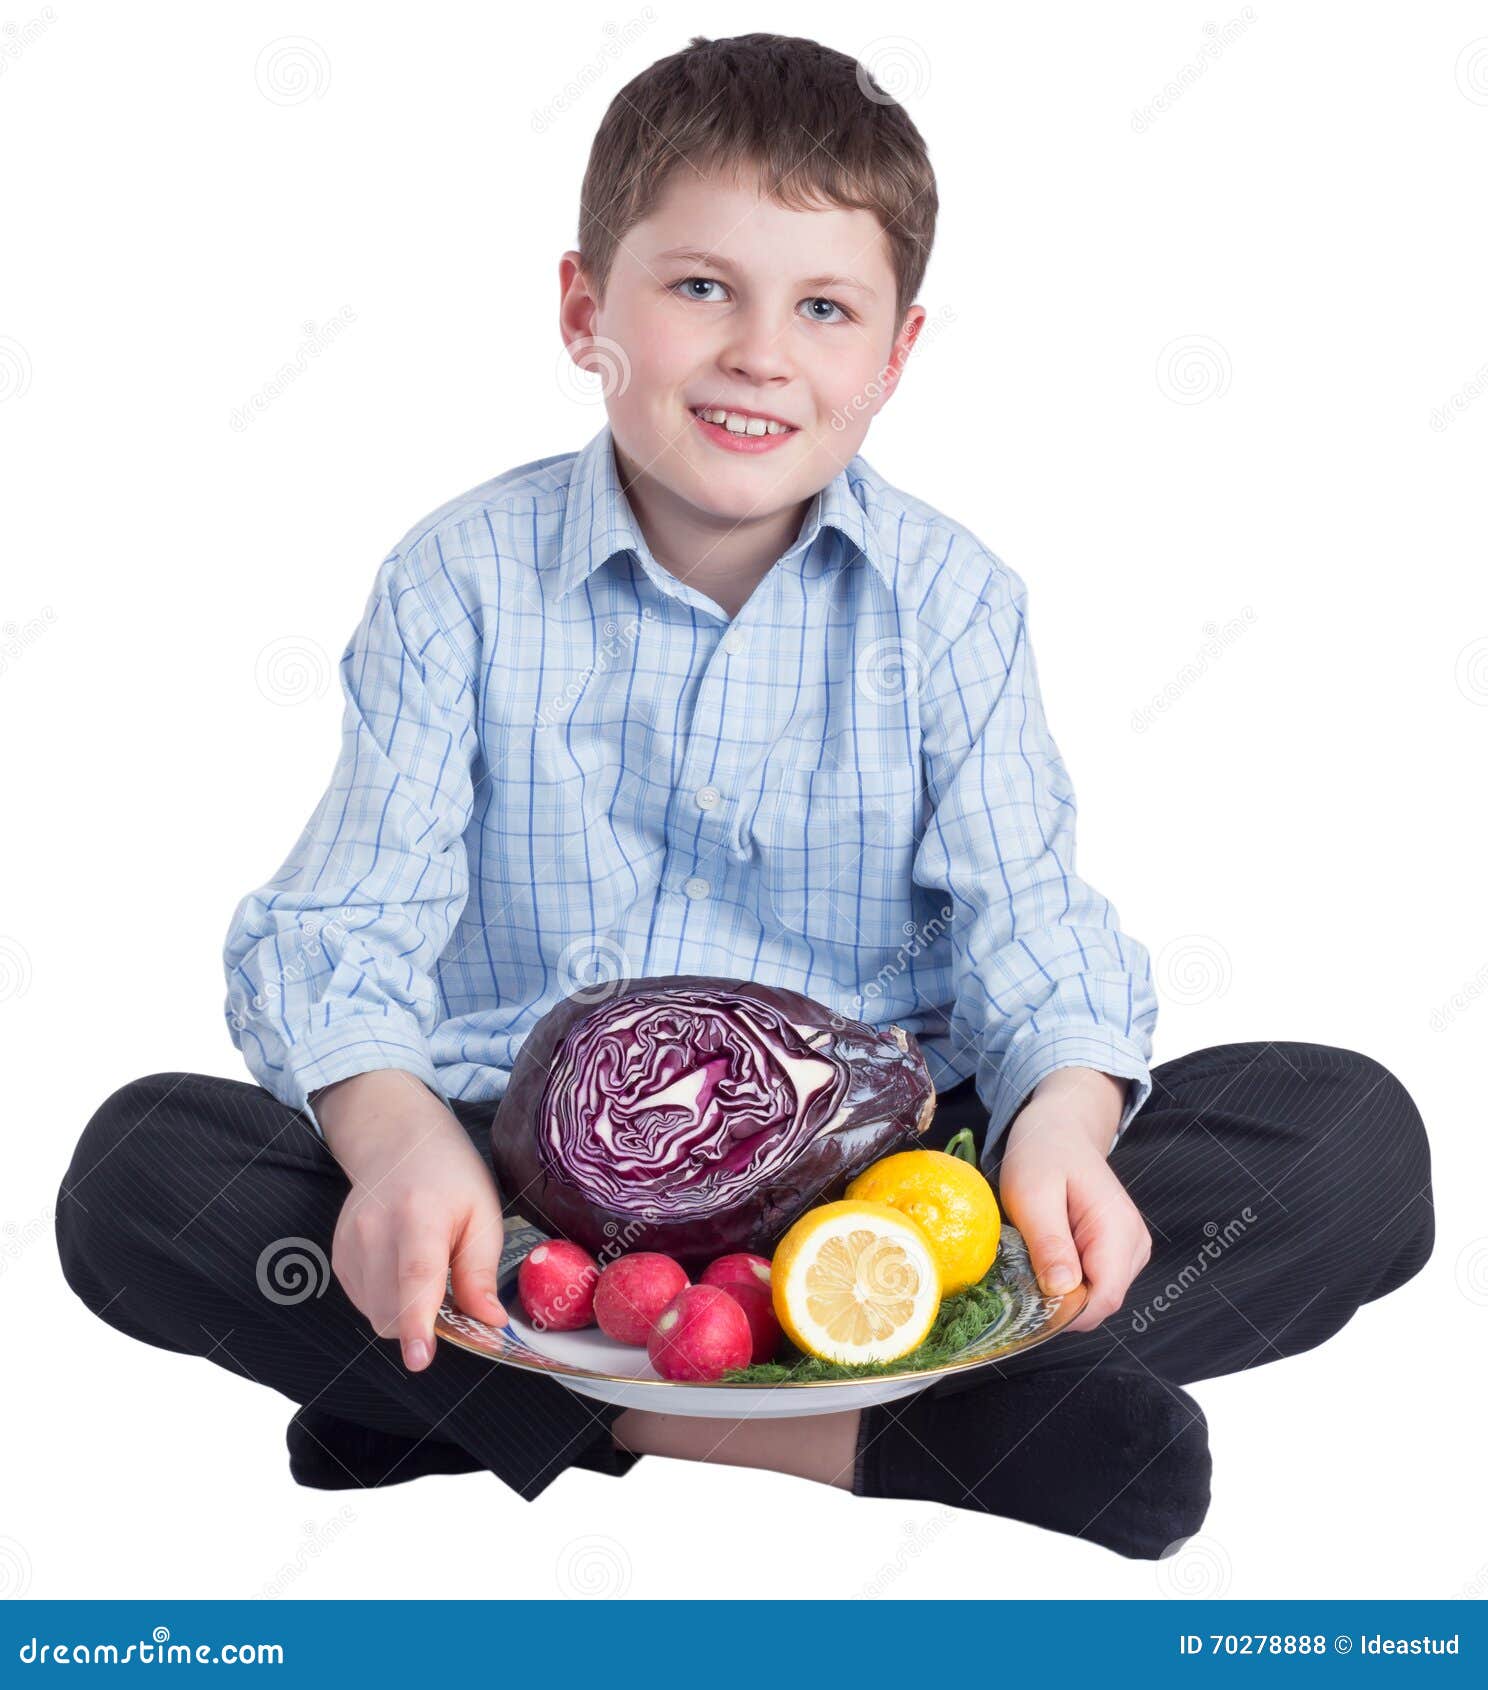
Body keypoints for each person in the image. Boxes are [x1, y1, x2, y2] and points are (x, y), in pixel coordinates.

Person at [56, 31, 1432, 1563]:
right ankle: (910, 1429)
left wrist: (1062, 1121)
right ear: (588, 309)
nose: (761, 352)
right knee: (135, 1174)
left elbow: (1036, 930)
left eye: (825, 308)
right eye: (701, 286)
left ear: (896, 356)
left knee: (1356, 1143)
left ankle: (483, 1401)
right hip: (515, 1207)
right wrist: (397, 1149)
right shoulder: (458, 579)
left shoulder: (952, 602)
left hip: (894, 1198)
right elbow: (339, 933)